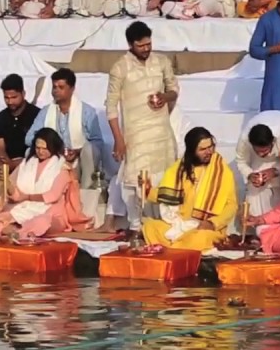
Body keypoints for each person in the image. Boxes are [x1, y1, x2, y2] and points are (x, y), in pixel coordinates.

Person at [106, 22, 179, 234]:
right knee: (132, 181)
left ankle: (165, 225)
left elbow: (174, 89)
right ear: (130, 45)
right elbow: (111, 107)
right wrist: (119, 139)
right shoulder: (119, 67)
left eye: (148, 44)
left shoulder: (162, 61)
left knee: (165, 178)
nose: (146, 49)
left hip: (161, 132)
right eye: (141, 46)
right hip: (135, 133)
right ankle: (136, 226)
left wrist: (164, 97)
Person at [0, 127, 90, 238]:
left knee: (41, 223)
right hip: (23, 208)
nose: (40, 151)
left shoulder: (62, 167)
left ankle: (16, 231)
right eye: (38, 148)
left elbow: (52, 196)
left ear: (53, 147)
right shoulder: (26, 163)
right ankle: (14, 229)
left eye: (45, 148)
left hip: (51, 212)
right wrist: (6, 182)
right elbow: (15, 193)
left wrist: (27, 197)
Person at [142, 127, 237, 251]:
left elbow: (232, 205)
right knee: (150, 226)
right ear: (192, 150)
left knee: (201, 238)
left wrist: (213, 223)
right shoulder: (180, 168)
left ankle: (173, 248)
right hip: (179, 224)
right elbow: (167, 196)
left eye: (211, 147)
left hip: (204, 227)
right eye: (203, 149)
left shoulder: (222, 171)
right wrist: (148, 190)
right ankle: (178, 247)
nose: (209, 152)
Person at [26, 68, 103, 192]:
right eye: (54, 87)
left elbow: (98, 142)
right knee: (29, 151)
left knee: (89, 149)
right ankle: (35, 192)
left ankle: (85, 192)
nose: (56, 91)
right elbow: (29, 138)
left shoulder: (86, 111)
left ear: (72, 89)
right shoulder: (46, 111)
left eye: (61, 87)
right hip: (53, 159)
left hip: (79, 162)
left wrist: (78, 151)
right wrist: (52, 147)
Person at [235, 110, 280, 217]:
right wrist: (250, 175)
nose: (261, 154)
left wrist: (275, 170)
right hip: (260, 161)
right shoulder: (245, 140)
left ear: (272, 142)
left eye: (264, 151)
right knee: (253, 189)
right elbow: (241, 161)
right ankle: (257, 223)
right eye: (258, 151)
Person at [0, 74, 41, 198]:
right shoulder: (1, 118)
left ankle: (8, 193)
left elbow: (40, 151)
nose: (10, 101)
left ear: (23, 94)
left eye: (14, 97)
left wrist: (14, 165)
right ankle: (8, 192)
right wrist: (5, 164)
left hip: (30, 164)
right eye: (6, 98)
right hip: (7, 166)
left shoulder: (37, 115)